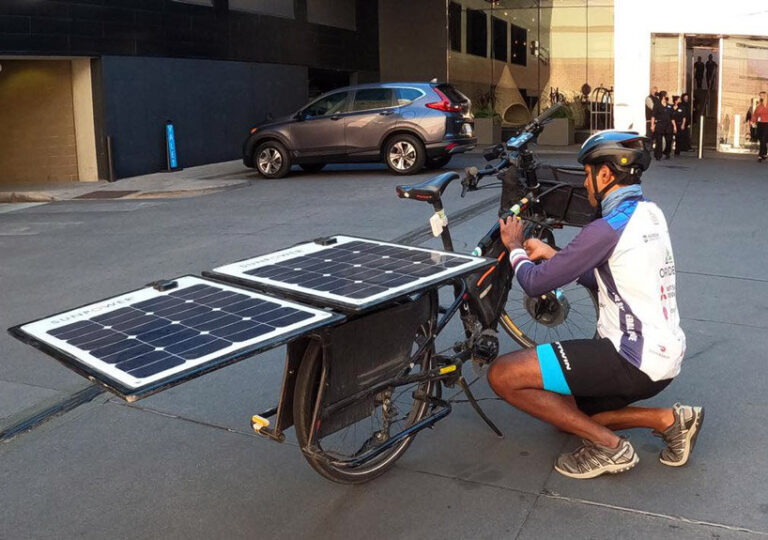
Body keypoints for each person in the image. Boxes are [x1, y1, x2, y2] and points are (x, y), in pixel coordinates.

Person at [489, 131, 703, 479]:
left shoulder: (607, 228)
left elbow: (533, 282)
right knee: (565, 415)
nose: (586, 184)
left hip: (628, 360)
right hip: (663, 359)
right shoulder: (650, 214)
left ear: (605, 175)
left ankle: (612, 448)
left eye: (587, 174)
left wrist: (514, 246)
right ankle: (670, 420)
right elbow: (609, 278)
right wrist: (556, 256)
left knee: (502, 374)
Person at [651, 92, 674, 159]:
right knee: (659, 140)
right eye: (667, 95)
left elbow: (672, 117)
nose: (668, 97)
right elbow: (653, 116)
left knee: (669, 139)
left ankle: (667, 152)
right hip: (660, 124)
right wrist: (652, 125)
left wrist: (674, 126)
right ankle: (658, 155)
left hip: (668, 124)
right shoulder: (657, 105)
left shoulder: (669, 106)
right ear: (663, 96)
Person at [752, 92, 768, 162]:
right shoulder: (759, 106)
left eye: (763, 95)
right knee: (761, 139)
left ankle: (760, 155)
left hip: (767, 123)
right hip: (760, 124)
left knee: (764, 138)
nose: (762, 97)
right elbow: (755, 114)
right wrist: (752, 121)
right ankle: (764, 153)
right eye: (761, 96)